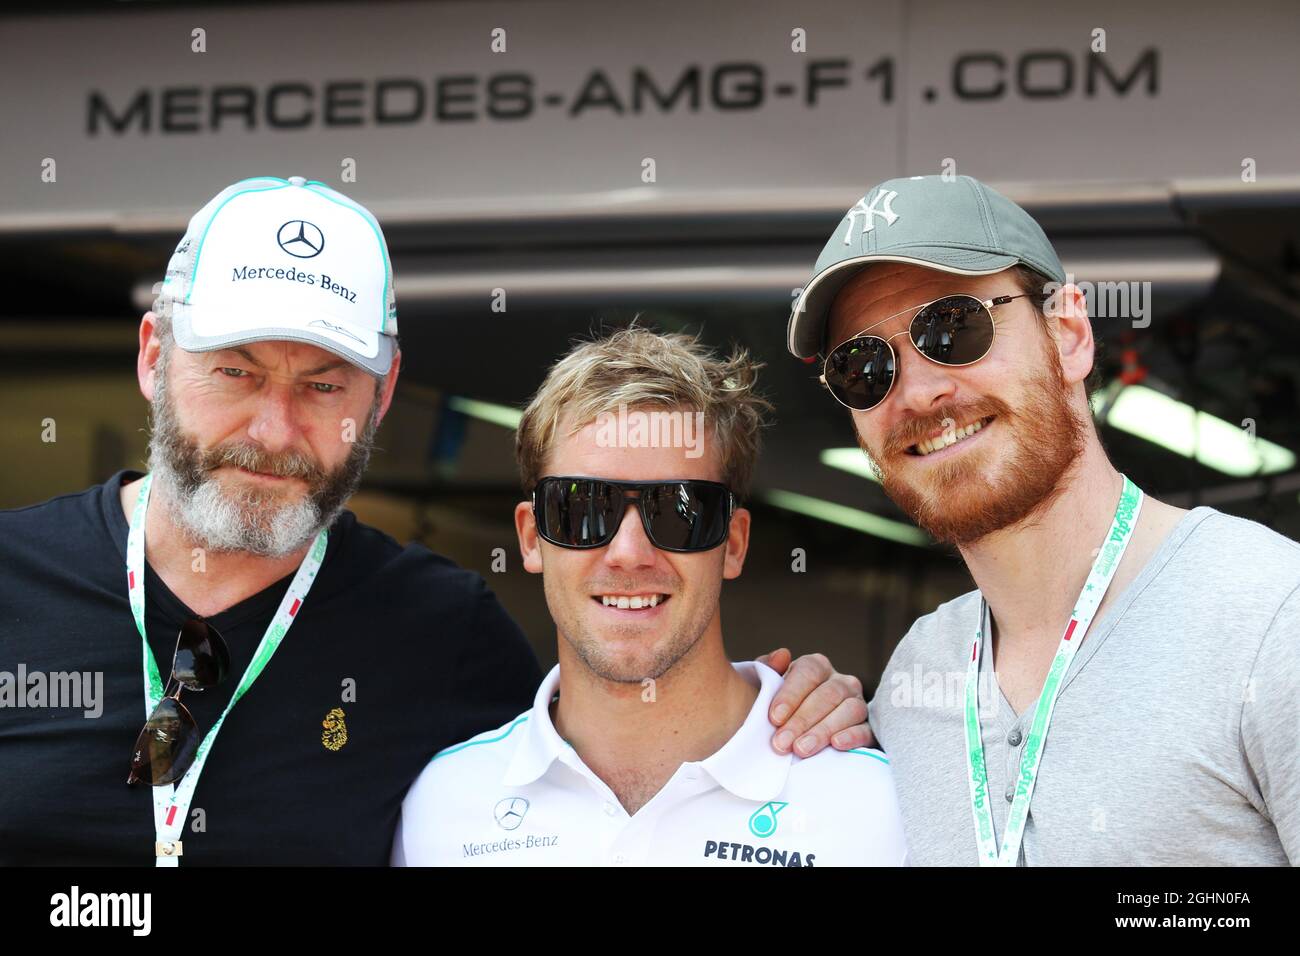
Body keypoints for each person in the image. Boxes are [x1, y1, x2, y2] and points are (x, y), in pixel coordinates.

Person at [0, 176, 869, 866]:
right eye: (236, 371)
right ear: (155, 356)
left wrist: (787, 709)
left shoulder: (443, 634)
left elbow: (599, 737)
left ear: (380, 396)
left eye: (324, 385)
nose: (275, 430)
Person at [786, 174, 1300, 865]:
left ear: (1069, 334)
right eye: (863, 366)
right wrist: (787, 714)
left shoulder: (1271, 615)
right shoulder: (918, 674)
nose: (917, 391)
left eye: (952, 326)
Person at [391, 327, 907, 866]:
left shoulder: (874, 807)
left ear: (733, 544)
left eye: (679, 510)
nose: (629, 553)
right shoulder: (441, 807)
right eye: (583, 508)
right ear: (530, 536)